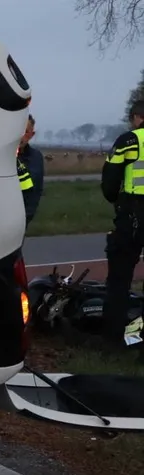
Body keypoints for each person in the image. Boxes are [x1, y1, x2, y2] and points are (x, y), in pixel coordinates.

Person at [99, 100, 144, 350]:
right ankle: (140, 335)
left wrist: (119, 201)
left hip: (133, 215)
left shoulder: (129, 140)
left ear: (136, 117)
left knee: (119, 280)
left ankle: (114, 341)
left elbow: (109, 181)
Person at [18, 114, 44, 225]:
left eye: (26, 132)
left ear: (32, 135)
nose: (21, 135)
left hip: (22, 220)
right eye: (17, 130)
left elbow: (36, 191)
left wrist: (27, 217)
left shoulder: (36, 157)